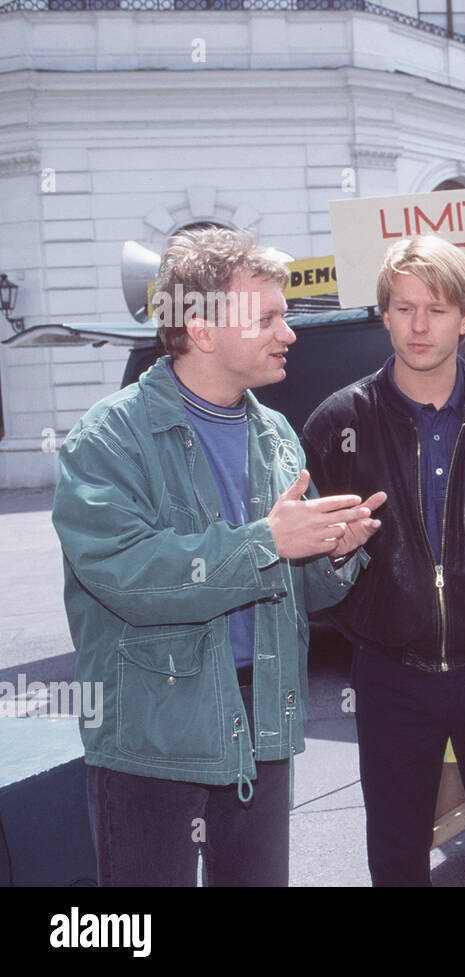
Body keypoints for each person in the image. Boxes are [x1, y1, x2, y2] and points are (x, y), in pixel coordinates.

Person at [52, 226, 384, 885]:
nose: (287, 332)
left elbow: (304, 589)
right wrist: (268, 542)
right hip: (154, 740)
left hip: (262, 723)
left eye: (283, 315)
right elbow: (129, 579)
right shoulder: (107, 439)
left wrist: (334, 552)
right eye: (267, 318)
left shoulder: (275, 432)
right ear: (203, 331)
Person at [302, 235, 465, 885]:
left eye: (436, 309)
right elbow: (313, 555)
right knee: (396, 853)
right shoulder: (336, 422)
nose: (419, 325)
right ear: (383, 313)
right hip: (390, 670)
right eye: (404, 307)